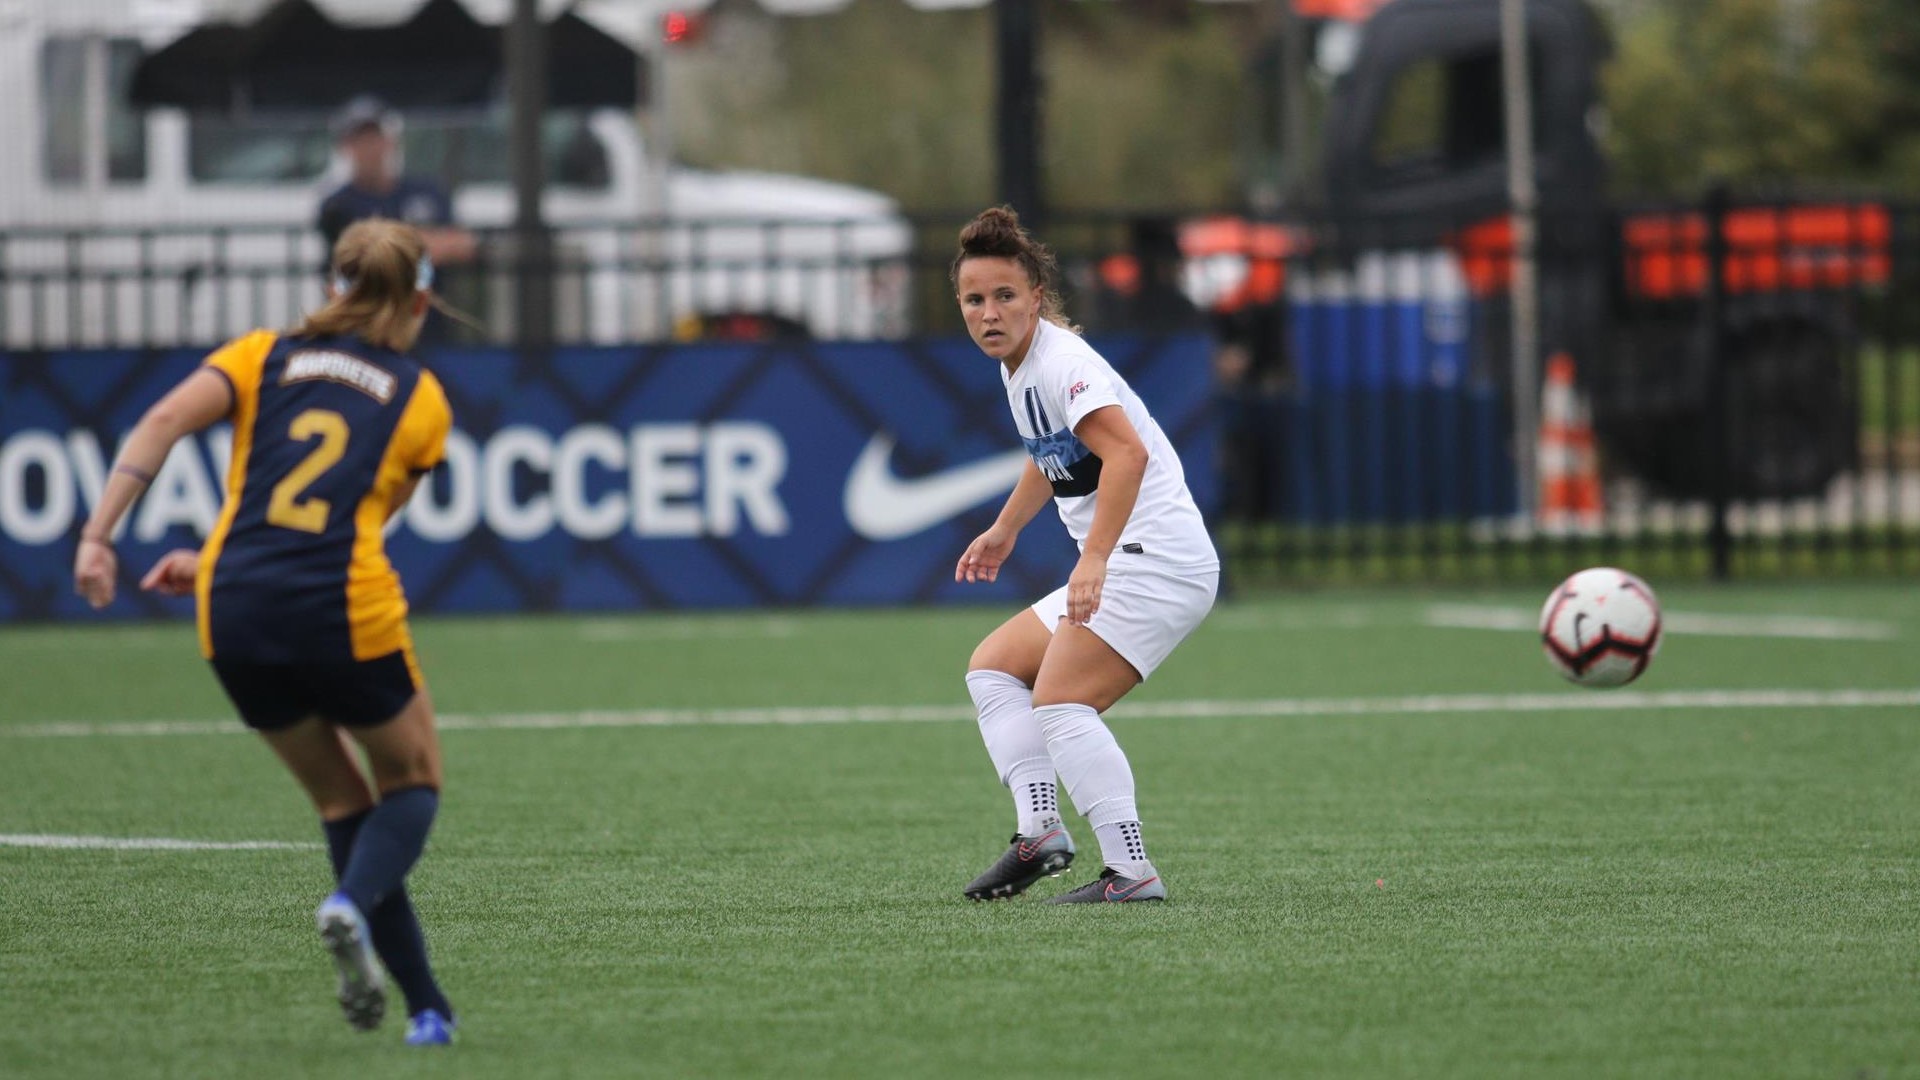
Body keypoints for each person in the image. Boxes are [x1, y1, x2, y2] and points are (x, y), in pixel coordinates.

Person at [73, 219, 460, 1045]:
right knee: (414, 778)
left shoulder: (260, 355)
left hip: (235, 609)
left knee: (339, 799)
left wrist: (100, 536)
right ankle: (352, 910)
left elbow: (164, 420)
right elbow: (360, 520)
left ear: (332, 287)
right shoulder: (420, 399)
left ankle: (429, 1010)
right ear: (419, 298)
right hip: (341, 608)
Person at [952, 207, 1220, 904]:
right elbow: (1054, 455)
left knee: (1062, 703)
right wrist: (1007, 529)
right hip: (1136, 555)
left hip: (1155, 559)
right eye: (974, 299)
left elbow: (1125, 453)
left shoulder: (1060, 363)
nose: (989, 312)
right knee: (993, 669)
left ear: (1036, 298)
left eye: (1005, 296)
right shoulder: (1020, 366)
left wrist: (1092, 559)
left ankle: (1132, 872)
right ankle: (1040, 832)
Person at [317, 96, 475, 342]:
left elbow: (462, 245)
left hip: (430, 327)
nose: (370, 147)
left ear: (390, 141)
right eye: (361, 140)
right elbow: (360, 259)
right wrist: (421, 245)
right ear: (346, 147)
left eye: (375, 138)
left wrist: (394, 248)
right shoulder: (338, 204)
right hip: (368, 333)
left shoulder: (426, 191)